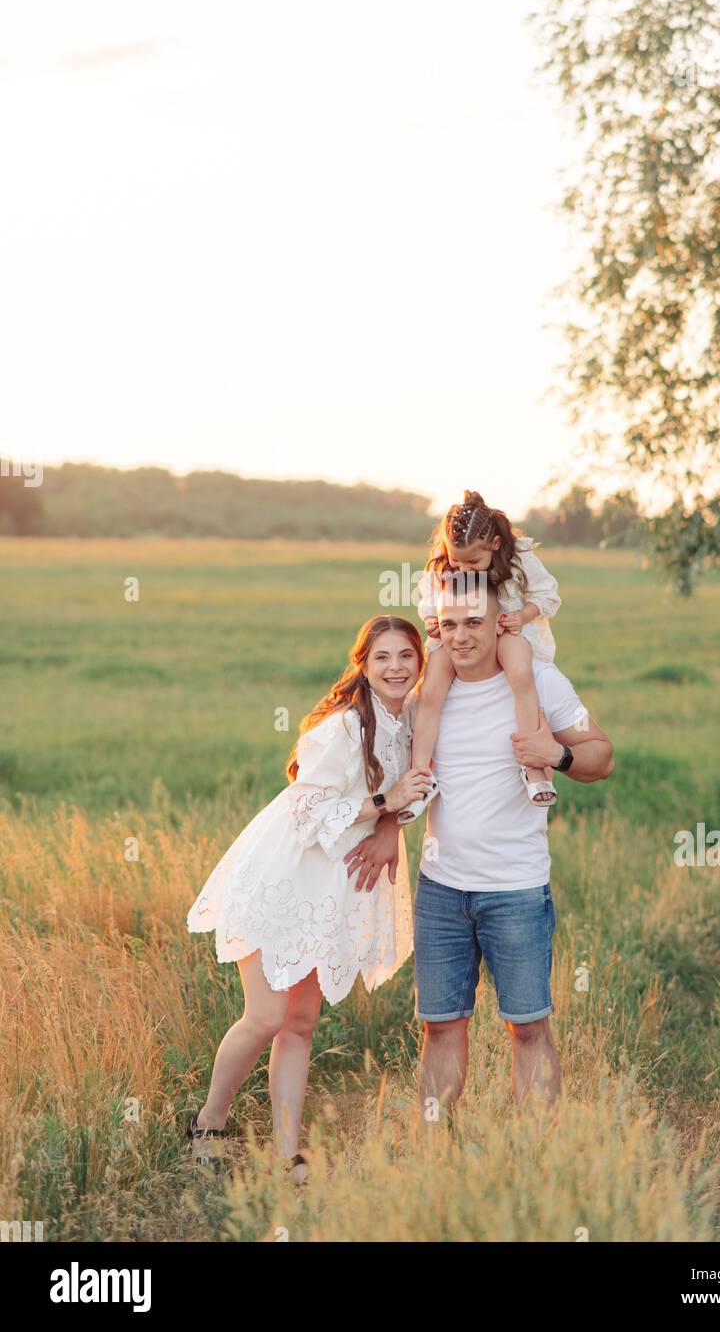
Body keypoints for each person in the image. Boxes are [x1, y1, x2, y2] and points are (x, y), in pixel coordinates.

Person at [345, 571, 614, 1114]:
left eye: (474, 622)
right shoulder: (427, 694)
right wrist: (387, 824)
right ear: (436, 629)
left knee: (529, 1027)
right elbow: (399, 772)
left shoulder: (542, 682)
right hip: (442, 891)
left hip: (516, 891)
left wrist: (556, 755)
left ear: (501, 623)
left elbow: (601, 756)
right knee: (440, 1029)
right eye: (449, 625)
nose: (462, 636)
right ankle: (435, 1151)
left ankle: (537, 1161)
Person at [185, 616, 431, 1180]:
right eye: (382, 658)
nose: (396, 668)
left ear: (419, 664)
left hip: (334, 888)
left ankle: (286, 1151)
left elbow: (415, 791)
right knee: (266, 1014)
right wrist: (381, 802)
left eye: (406, 657)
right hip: (284, 878)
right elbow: (303, 811)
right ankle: (209, 1120)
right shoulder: (343, 728)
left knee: (300, 1022)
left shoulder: (413, 721)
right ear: (363, 667)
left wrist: (394, 815)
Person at [401, 489, 562, 822]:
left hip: (506, 626)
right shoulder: (445, 562)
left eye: (473, 562)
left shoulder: (519, 557)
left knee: (519, 671)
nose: (463, 569)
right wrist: (433, 619)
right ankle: (420, 776)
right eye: (457, 561)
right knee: (430, 690)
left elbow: (547, 593)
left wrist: (524, 615)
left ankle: (533, 767)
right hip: (463, 630)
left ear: (496, 545)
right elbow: (430, 598)